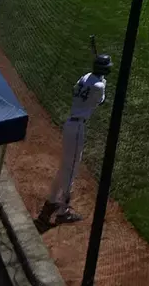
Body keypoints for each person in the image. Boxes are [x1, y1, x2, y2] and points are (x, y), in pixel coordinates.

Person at [37, 51, 111, 228]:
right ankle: (63, 212)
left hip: (69, 124)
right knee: (71, 170)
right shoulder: (99, 86)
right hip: (77, 129)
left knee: (65, 167)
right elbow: (100, 101)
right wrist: (104, 83)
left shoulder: (85, 77)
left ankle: (52, 201)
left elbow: (76, 89)